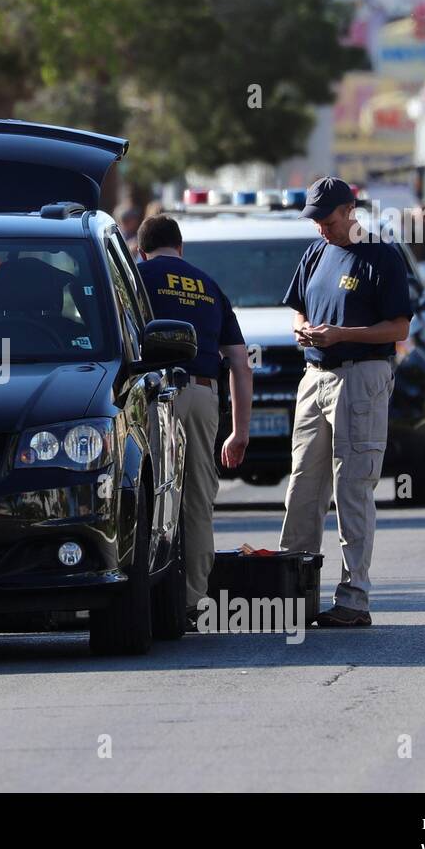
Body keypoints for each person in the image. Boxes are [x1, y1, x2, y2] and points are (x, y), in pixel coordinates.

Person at [279, 177, 412, 627]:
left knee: (351, 488)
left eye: (329, 220)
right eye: (316, 221)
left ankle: (354, 598)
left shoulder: (381, 254)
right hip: (315, 376)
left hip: (361, 377)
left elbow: (398, 329)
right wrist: (304, 328)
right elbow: (298, 304)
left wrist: (342, 335)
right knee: (302, 486)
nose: (323, 229)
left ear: (350, 210)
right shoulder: (317, 250)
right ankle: (292, 592)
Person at [136, 214, 252, 627]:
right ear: (180, 248)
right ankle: (192, 600)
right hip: (204, 393)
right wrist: (240, 431)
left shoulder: (134, 277)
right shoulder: (208, 285)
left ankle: (146, 594)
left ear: (140, 248)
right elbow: (240, 363)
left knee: (148, 494)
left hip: (154, 394)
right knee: (198, 498)